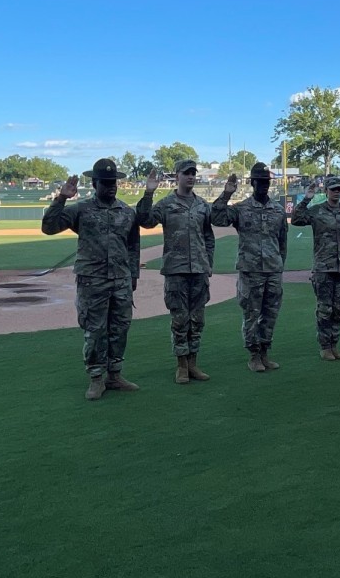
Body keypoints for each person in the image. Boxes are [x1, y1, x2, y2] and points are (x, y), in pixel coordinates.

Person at [41, 158, 146, 401]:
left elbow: (133, 246)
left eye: (114, 183)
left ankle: (115, 375)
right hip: (93, 281)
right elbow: (49, 227)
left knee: (120, 328)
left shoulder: (127, 212)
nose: (111, 186)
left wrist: (133, 275)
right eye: (106, 182)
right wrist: (62, 198)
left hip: (120, 280)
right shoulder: (81, 210)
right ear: (95, 183)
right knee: (94, 331)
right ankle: (96, 378)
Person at [137, 158, 215, 385]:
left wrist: (208, 262)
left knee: (197, 319)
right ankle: (181, 365)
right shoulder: (166, 204)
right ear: (177, 176)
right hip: (176, 270)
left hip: (199, 270)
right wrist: (148, 193)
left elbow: (208, 237)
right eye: (186, 173)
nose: (190, 176)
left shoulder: (202, 205)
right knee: (180, 319)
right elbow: (145, 221)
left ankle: (193, 362)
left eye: (193, 173)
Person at [211, 161, 288, 373]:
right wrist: (226, 194)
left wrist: (280, 264)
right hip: (250, 270)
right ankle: (254, 355)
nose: (263, 185)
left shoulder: (278, 211)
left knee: (271, 313)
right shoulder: (241, 209)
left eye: (266, 182)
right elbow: (216, 218)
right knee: (252, 314)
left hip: (273, 269)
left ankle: (265, 352)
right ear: (252, 183)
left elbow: (283, 242)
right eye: (260, 181)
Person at [290, 175, 340, 361]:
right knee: (324, 308)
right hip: (323, 267)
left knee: (339, 309)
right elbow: (296, 219)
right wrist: (307, 198)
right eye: (333, 189)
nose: (336, 192)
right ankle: (325, 346)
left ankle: (334, 344)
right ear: (326, 191)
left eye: (339, 189)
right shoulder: (317, 211)